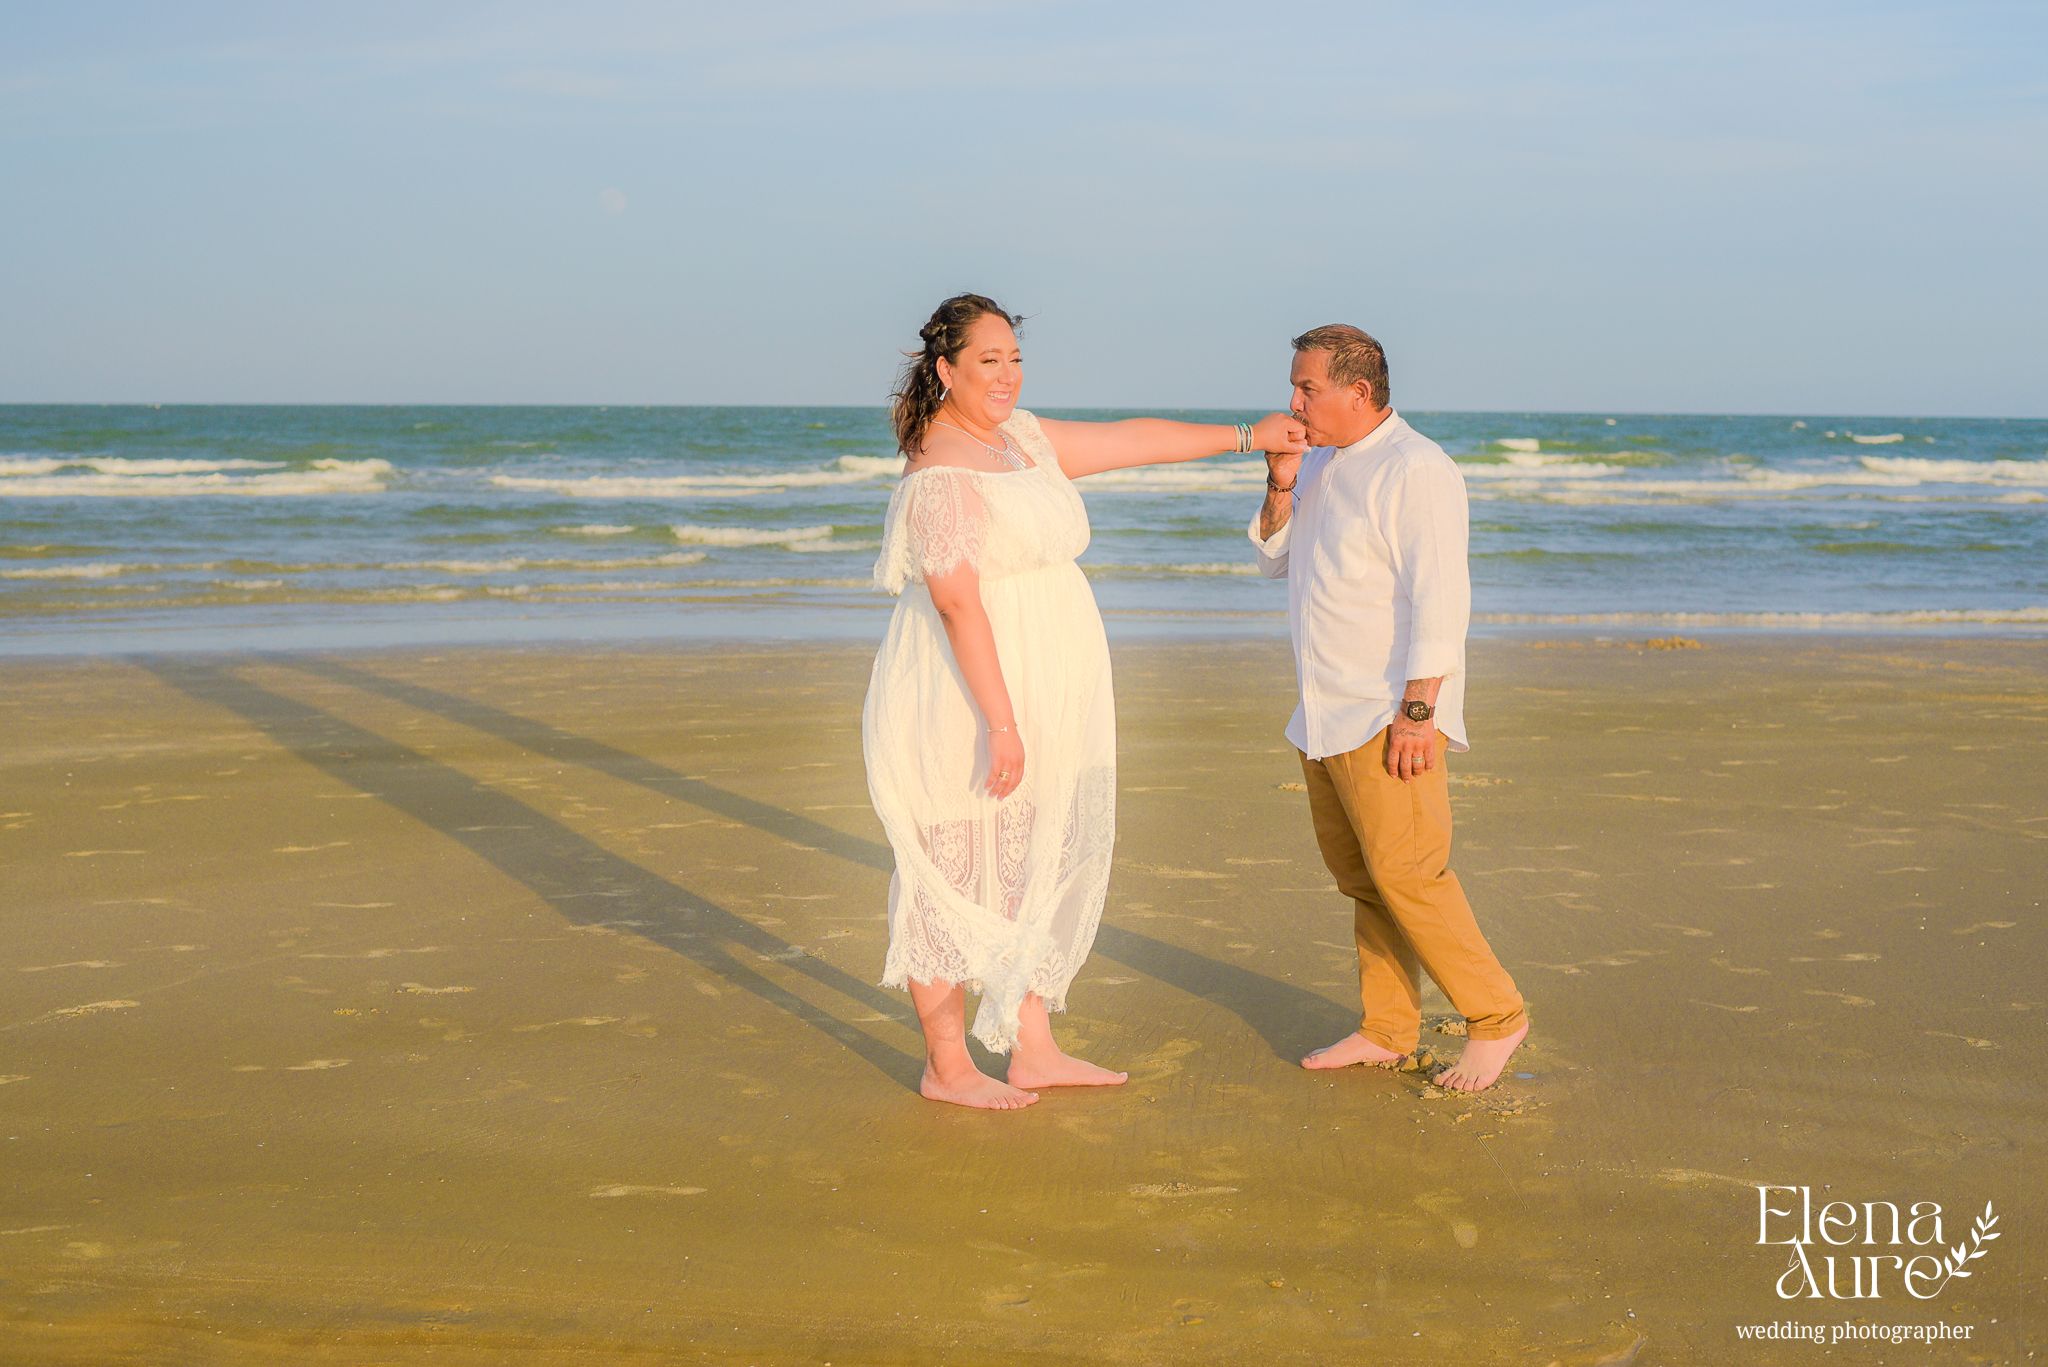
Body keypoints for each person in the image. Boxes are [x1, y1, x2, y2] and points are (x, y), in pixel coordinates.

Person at [863, 293, 1305, 1111]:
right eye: (987, 361)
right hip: (972, 692)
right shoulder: (940, 470)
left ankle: (1033, 1048)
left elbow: (1132, 441)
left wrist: (1249, 436)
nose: (1006, 375)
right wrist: (1001, 723)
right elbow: (959, 606)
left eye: (1015, 359)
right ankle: (947, 1064)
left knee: (1029, 849)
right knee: (949, 866)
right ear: (944, 369)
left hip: (1048, 680)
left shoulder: (1021, 438)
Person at [1248, 324, 1529, 1093]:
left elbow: (1442, 597)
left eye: (1307, 388)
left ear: (1359, 392)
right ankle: (1387, 1028)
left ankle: (1497, 1017)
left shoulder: (1417, 468)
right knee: (1364, 879)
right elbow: (1273, 559)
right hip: (1323, 709)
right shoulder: (1326, 467)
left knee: (1411, 875)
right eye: (1294, 386)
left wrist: (1418, 713)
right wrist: (1280, 478)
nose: (1294, 401)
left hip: (1385, 712)